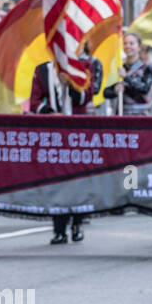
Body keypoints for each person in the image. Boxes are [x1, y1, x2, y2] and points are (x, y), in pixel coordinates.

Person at [28, 44, 103, 244]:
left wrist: (70, 83)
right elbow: (34, 102)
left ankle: (77, 224)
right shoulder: (43, 70)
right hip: (54, 133)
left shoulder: (85, 66)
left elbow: (85, 97)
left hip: (78, 132)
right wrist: (51, 113)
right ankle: (59, 229)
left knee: (78, 179)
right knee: (57, 180)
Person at [102, 31, 152, 115]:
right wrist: (115, 90)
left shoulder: (147, 68)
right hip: (121, 114)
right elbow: (105, 92)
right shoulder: (119, 68)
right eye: (125, 43)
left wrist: (126, 77)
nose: (128, 46)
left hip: (140, 116)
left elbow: (145, 89)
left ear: (139, 47)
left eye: (131, 43)